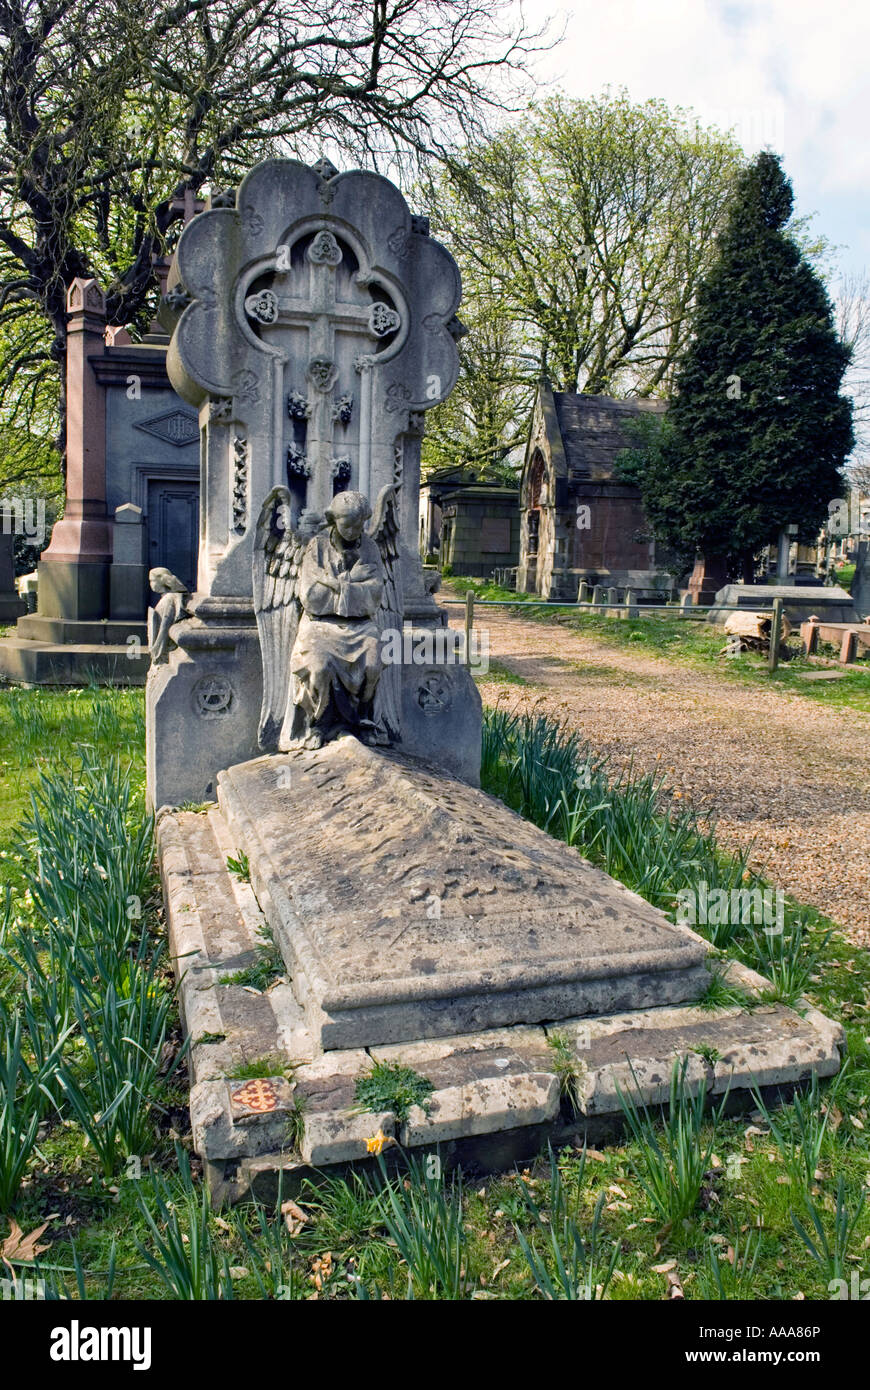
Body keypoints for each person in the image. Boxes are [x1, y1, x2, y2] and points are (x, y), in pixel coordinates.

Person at [281, 490, 385, 750]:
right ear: (333, 520)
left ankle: (363, 721)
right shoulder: (316, 546)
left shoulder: (370, 547)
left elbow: (374, 595)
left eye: (359, 525)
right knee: (320, 667)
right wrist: (353, 582)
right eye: (347, 524)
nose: (353, 531)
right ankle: (320, 725)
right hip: (319, 625)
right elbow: (311, 596)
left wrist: (333, 583)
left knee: (373, 665)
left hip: (361, 626)